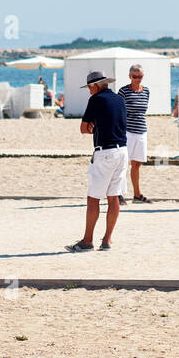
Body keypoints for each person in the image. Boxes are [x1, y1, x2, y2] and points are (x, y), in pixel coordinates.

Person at [67, 71, 127, 252]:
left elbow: (83, 128)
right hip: (122, 150)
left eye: (89, 88)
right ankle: (107, 239)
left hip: (105, 152)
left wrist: (93, 128)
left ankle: (87, 241)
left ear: (95, 86)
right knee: (114, 196)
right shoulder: (119, 99)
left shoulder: (96, 100)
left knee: (93, 198)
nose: (89, 92)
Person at [119, 64, 152, 203]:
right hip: (127, 131)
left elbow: (143, 111)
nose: (137, 79)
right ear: (130, 76)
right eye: (135, 76)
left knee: (137, 164)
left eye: (140, 76)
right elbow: (118, 111)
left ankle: (137, 194)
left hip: (142, 131)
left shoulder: (146, 91)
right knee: (122, 164)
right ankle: (118, 193)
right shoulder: (123, 91)